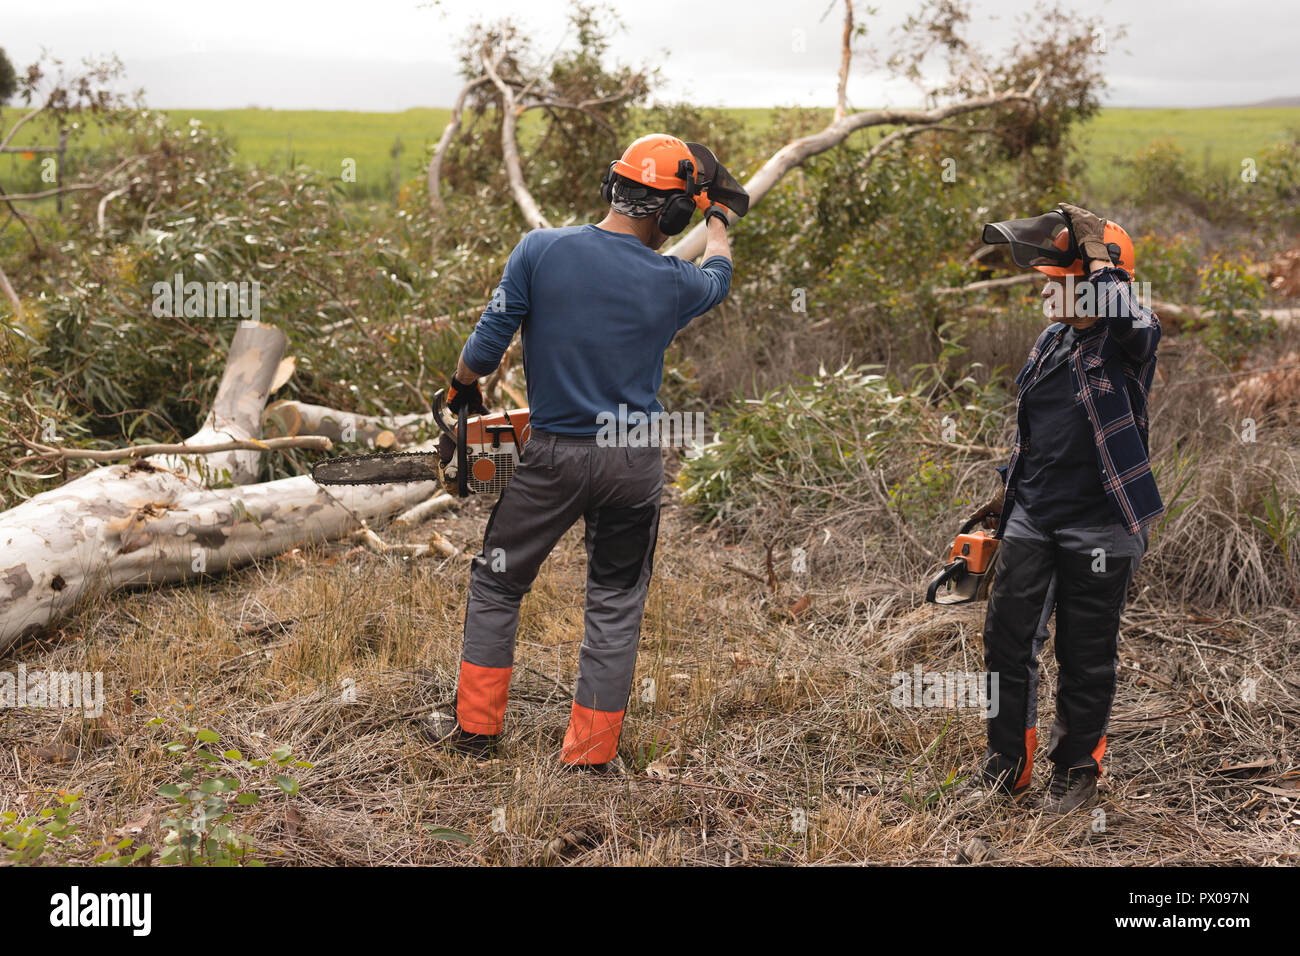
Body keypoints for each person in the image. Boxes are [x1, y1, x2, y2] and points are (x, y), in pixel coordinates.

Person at [424, 134, 735, 773]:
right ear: (671, 214)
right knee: (615, 601)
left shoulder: (540, 250)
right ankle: (589, 756)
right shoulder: (675, 280)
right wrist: (719, 220)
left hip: (554, 458)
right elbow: (719, 274)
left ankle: (477, 730)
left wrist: (461, 388)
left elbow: (487, 342)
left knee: (498, 580)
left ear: (611, 186)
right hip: (633, 461)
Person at [969, 202, 1163, 812]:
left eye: (1062, 282)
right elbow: (1035, 433)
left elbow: (1138, 323)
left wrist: (1102, 264)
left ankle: (1078, 770)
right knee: (1006, 641)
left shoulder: (1127, 342)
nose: (1048, 292)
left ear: (1100, 283)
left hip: (1100, 527)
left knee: (1085, 650)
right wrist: (1003, 501)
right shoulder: (1050, 341)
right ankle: (1009, 766)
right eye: (1048, 281)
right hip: (1034, 515)